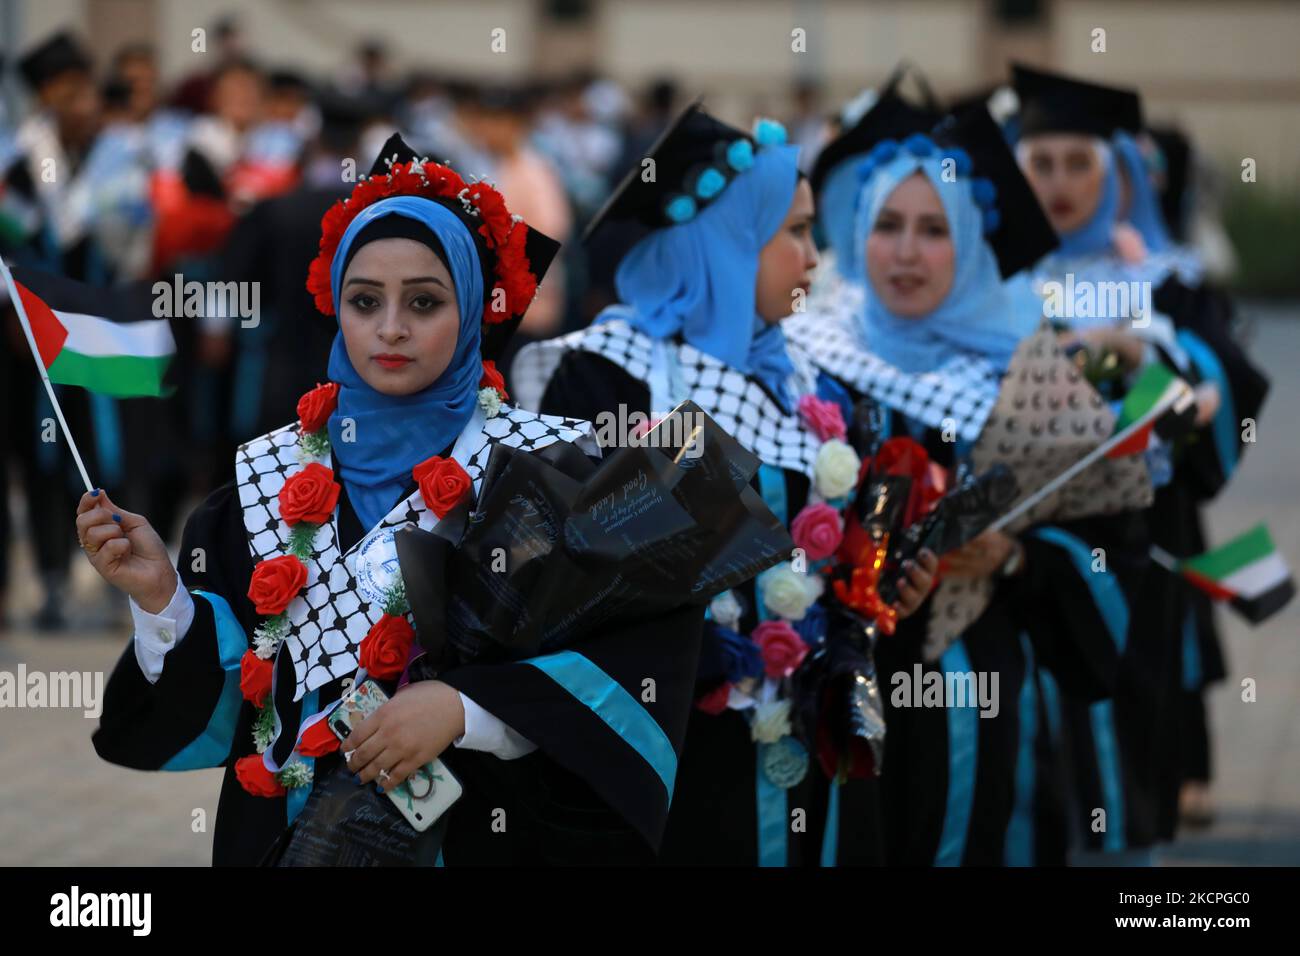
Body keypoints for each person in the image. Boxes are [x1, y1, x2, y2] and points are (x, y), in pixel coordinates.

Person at [86, 134, 707, 866]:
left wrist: (468, 711)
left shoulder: (553, 468)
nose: (389, 329)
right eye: (364, 300)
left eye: (424, 301)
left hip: (481, 833)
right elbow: (236, 708)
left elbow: (634, 656)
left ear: (473, 309)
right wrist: (164, 602)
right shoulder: (263, 480)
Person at [512, 104, 935, 865]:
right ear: (726, 243)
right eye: (794, 231)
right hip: (670, 744)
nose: (816, 255)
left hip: (808, 740)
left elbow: (843, 558)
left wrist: (884, 577)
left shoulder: (817, 379)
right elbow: (567, 577)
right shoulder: (605, 375)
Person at [788, 106, 1147, 865]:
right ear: (857, 235)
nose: (906, 254)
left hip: (968, 687)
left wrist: (1013, 555)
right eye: (887, 225)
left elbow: (1109, 542)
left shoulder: (1024, 373)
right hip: (831, 689)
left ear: (973, 243)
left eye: (935, 229)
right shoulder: (808, 359)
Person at [1012, 63, 1267, 861]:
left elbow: (1222, 386)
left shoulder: (1159, 282)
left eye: (1078, 164)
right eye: (1040, 164)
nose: (1059, 184)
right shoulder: (997, 278)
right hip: (1018, 558)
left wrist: (1141, 358)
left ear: (1118, 171)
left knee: (1122, 755)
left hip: (1131, 552)